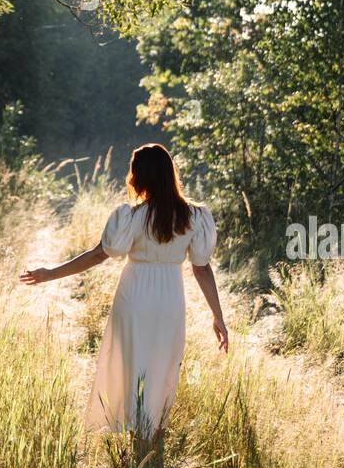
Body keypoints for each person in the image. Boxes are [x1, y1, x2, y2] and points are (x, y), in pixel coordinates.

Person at [20, 143, 227, 436]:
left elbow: (97, 254)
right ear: (169, 175)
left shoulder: (130, 217)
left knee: (133, 361)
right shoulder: (194, 217)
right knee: (162, 363)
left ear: (140, 177)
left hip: (134, 294)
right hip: (170, 298)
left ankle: (135, 429)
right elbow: (201, 267)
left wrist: (51, 273)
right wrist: (218, 317)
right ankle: (151, 431)